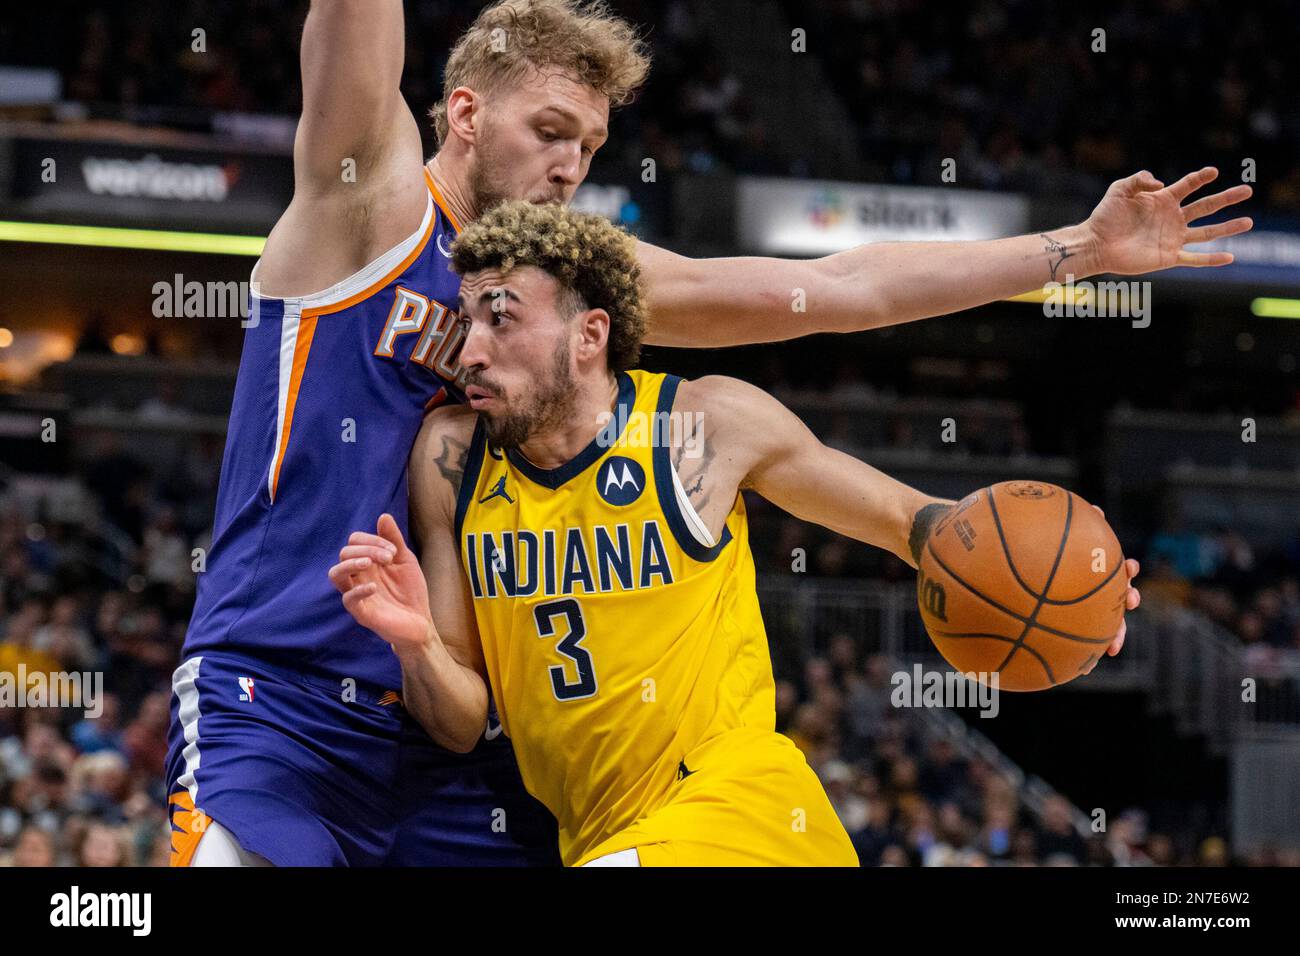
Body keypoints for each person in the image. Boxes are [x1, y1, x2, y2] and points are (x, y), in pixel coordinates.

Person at [168, 0, 1238, 867]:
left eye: (587, 144)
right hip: (287, 690)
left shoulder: (576, 279)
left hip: (470, 735)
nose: (569, 164)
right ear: (462, 114)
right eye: (548, 131)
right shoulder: (369, 210)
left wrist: (1072, 251)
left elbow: (827, 293)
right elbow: (350, 44)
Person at [327, 201, 1139, 865]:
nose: (469, 350)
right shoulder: (452, 459)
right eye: (467, 322)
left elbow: (916, 525)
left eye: (500, 321)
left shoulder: (704, 425)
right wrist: (415, 646)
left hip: (742, 815)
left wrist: (1078, 581)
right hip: (602, 839)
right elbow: (460, 719)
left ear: (589, 334)